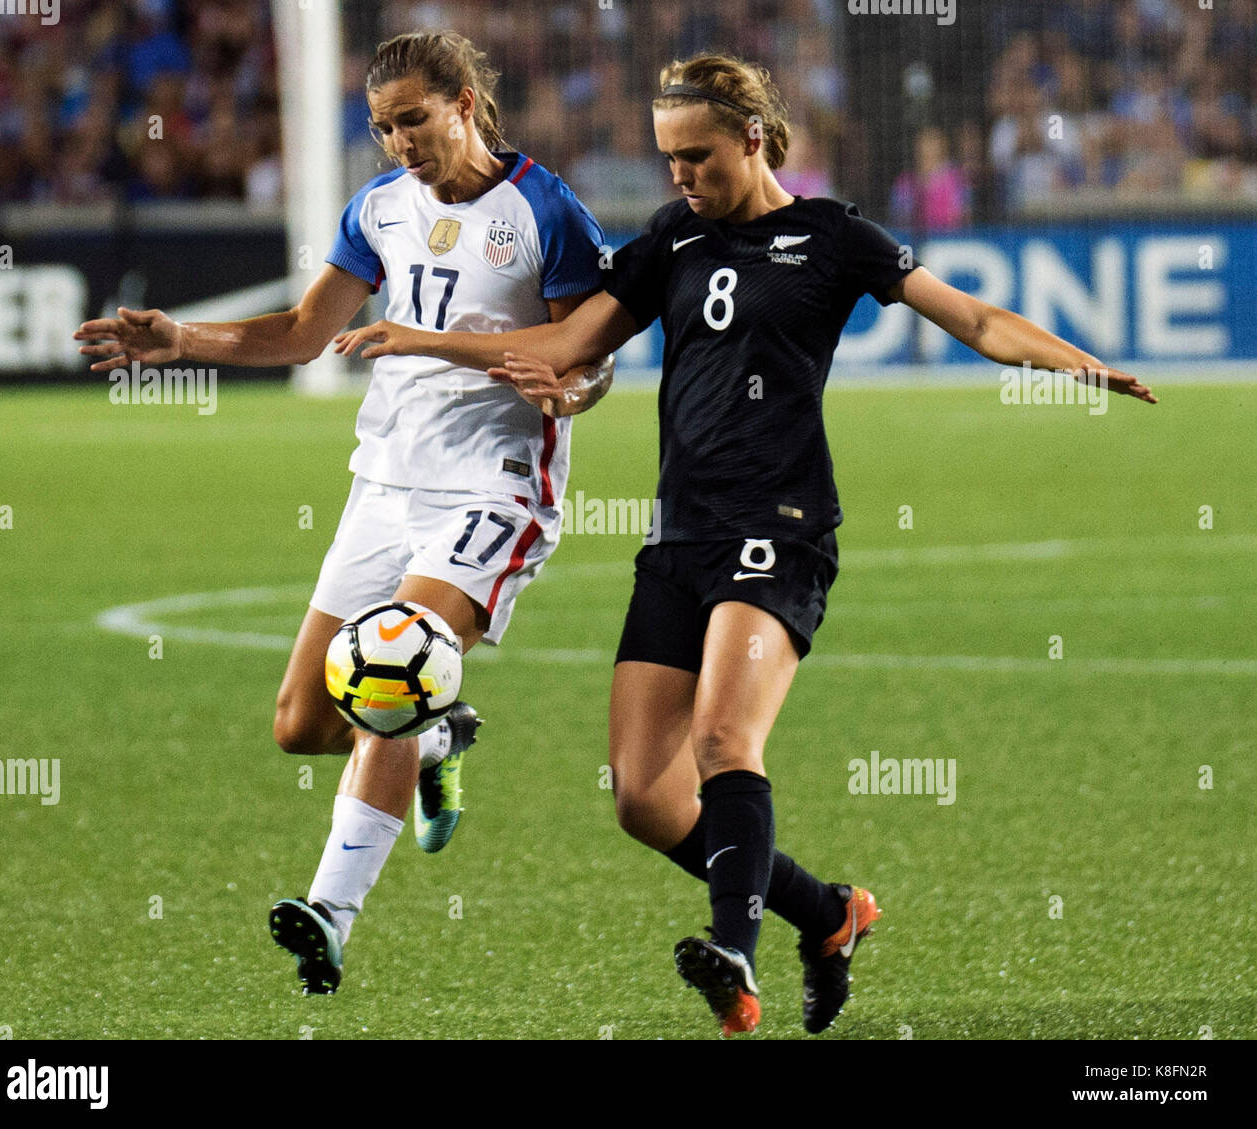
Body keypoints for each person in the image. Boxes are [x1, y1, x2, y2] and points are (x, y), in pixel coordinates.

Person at [334, 52, 1157, 1036]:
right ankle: (827, 912)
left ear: (754, 140)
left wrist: (1076, 363)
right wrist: (422, 338)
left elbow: (972, 315)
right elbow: (564, 347)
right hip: (680, 535)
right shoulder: (672, 240)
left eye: (695, 156)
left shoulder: (831, 237)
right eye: (667, 157)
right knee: (643, 797)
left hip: (783, 528)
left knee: (727, 739)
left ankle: (733, 949)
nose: (678, 176)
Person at [74, 31, 613, 995]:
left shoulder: (544, 208)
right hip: (385, 485)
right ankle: (438, 736)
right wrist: (179, 338)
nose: (400, 141)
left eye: (415, 118)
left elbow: (589, 351)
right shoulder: (377, 209)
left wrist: (544, 384)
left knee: (395, 669)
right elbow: (297, 331)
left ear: (465, 104)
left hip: (492, 486)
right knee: (299, 723)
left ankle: (328, 912)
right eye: (382, 127)